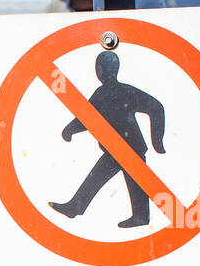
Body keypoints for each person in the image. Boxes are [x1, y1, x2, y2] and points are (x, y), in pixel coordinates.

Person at [50, 51, 165, 229]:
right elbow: (156, 108)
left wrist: (69, 130)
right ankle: (77, 207)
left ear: (101, 70)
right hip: (122, 147)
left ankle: (77, 207)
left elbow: (85, 117)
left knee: (106, 178)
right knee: (120, 179)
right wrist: (157, 142)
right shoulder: (125, 91)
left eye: (100, 67)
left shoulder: (104, 93)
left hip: (125, 148)